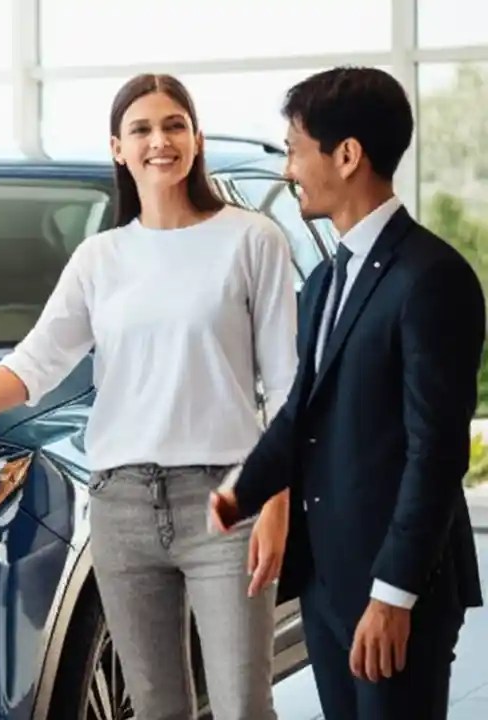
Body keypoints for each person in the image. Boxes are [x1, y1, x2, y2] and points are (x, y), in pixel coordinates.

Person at [0, 74, 299, 720]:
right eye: (142, 130)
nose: (160, 141)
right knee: (158, 708)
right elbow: (33, 366)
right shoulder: (101, 259)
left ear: (196, 138)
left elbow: (288, 383)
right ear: (118, 148)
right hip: (122, 506)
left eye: (173, 125)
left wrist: (275, 502)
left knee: (244, 704)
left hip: (226, 503)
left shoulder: (251, 240)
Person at [210, 66, 484, 720]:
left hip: (395, 592)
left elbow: (437, 455)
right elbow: (303, 408)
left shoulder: (432, 279)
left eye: (296, 149)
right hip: (328, 584)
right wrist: (239, 493)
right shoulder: (327, 280)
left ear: (348, 155)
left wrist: (392, 597)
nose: (288, 169)